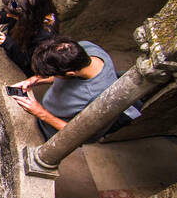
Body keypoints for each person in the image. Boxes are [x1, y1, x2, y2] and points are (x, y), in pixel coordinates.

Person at [10, 38, 141, 140]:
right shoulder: (84, 48)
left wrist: (41, 113)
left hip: (52, 129)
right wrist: (35, 80)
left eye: (54, 74)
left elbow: (81, 134)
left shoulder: (101, 98)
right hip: (47, 109)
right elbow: (60, 75)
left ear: (71, 73)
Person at [0, 0, 59, 76]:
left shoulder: (45, 36)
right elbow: (10, 11)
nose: (8, 15)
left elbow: (28, 62)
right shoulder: (31, 10)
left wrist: (8, 43)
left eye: (13, 15)